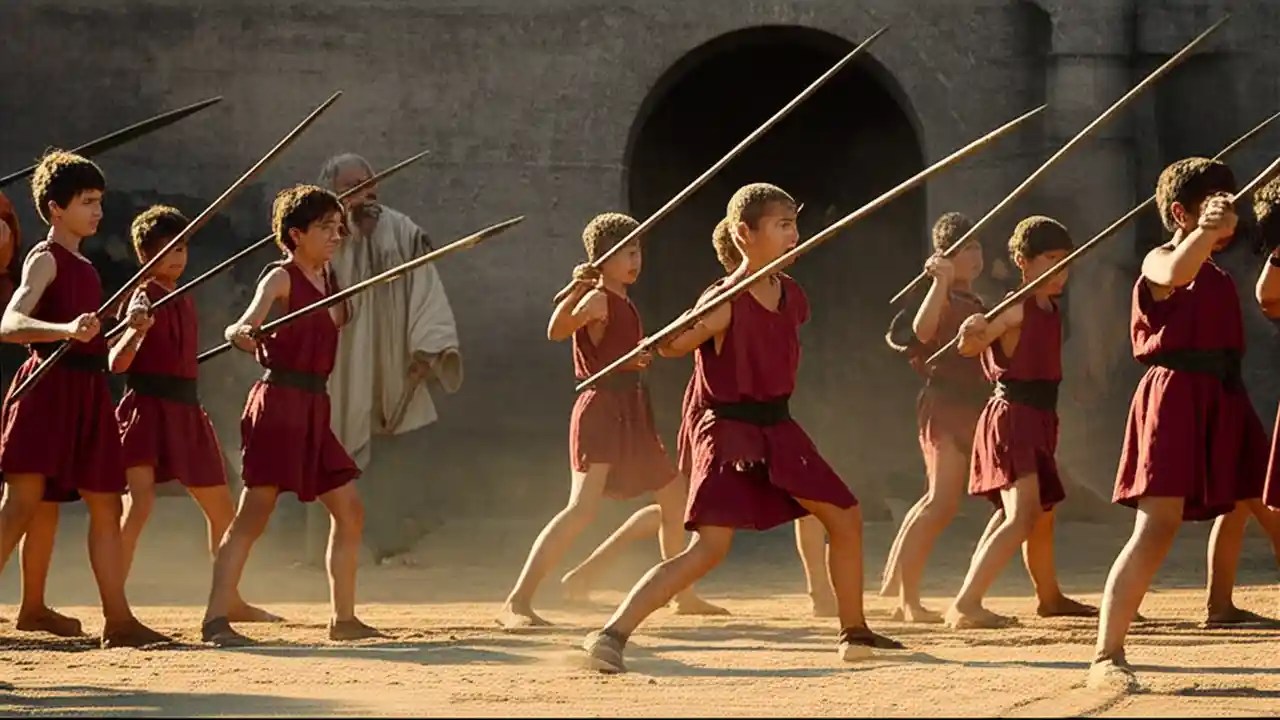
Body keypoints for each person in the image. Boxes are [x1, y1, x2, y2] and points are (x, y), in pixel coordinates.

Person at [581, 184, 902, 673]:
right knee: (709, 548)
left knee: (845, 515)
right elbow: (673, 347)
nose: (794, 235)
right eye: (782, 225)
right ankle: (611, 635)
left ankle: (854, 632)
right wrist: (673, 333)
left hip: (778, 425)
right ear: (743, 234)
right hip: (728, 430)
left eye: (794, 224)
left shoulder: (791, 294)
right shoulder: (723, 301)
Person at [1092, 158, 1280, 689]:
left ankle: (1221, 605)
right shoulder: (1160, 260)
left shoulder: (1218, 273)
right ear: (1180, 213)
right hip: (1174, 396)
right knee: (1157, 526)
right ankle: (1107, 653)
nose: (1229, 219)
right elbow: (1176, 273)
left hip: (1225, 397)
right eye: (1213, 207)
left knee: (1270, 507)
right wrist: (1202, 232)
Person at [498, 212, 724, 629]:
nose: (635, 260)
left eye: (637, 250)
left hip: (631, 409)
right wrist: (579, 288)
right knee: (581, 509)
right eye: (625, 253)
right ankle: (518, 600)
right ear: (602, 259)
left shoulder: (623, 300)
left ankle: (681, 592)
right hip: (601, 409)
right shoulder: (598, 298)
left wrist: (635, 359)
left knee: (674, 497)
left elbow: (616, 353)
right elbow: (556, 330)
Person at [0, 150, 169, 647]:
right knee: (22, 505)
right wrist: (64, 329)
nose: (98, 210)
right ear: (56, 208)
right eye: (87, 202)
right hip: (45, 390)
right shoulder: (44, 258)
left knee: (105, 502)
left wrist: (131, 327)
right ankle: (41, 609)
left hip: (88, 393)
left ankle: (117, 620)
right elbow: (10, 323)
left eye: (99, 201)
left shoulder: (86, 267)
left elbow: (94, 343)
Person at [201, 185, 377, 646]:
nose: (336, 236)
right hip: (278, 404)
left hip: (315, 407)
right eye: (325, 228)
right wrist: (242, 333)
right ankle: (215, 619)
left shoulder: (330, 281)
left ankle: (343, 619)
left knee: (350, 511)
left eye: (338, 227)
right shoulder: (280, 278)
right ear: (295, 235)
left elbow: (340, 318)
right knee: (253, 514)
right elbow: (244, 324)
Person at [108, 204, 276, 623]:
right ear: (145, 254)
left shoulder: (182, 293)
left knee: (221, 509)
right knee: (138, 505)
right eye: (168, 250)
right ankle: (114, 603)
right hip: (147, 408)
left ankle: (228, 598)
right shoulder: (141, 295)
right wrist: (136, 330)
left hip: (185, 409)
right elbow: (117, 362)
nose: (178, 258)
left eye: (182, 248)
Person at [943, 216, 1092, 630]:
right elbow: (971, 346)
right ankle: (966, 604)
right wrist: (970, 331)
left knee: (1038, 513)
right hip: (1013, 418)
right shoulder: (1014, 308)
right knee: (1023, 515)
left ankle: (1050, 597)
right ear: (1024, 261)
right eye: (1051, 261)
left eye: (1066, 263)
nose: (1060, 272)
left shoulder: (1050, 307)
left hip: (1040, 417)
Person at [316, 154, 461, 563]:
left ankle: (392, 543)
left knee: (395, 450)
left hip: (394, 356)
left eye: (369, 183)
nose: (365, 193)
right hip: (342, 359)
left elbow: (426, 286)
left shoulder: (402, 230)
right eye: (352, 186)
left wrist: (426, 348)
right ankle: (334, 547)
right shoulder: (321, 234)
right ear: (331, 189)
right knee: (334, 445)